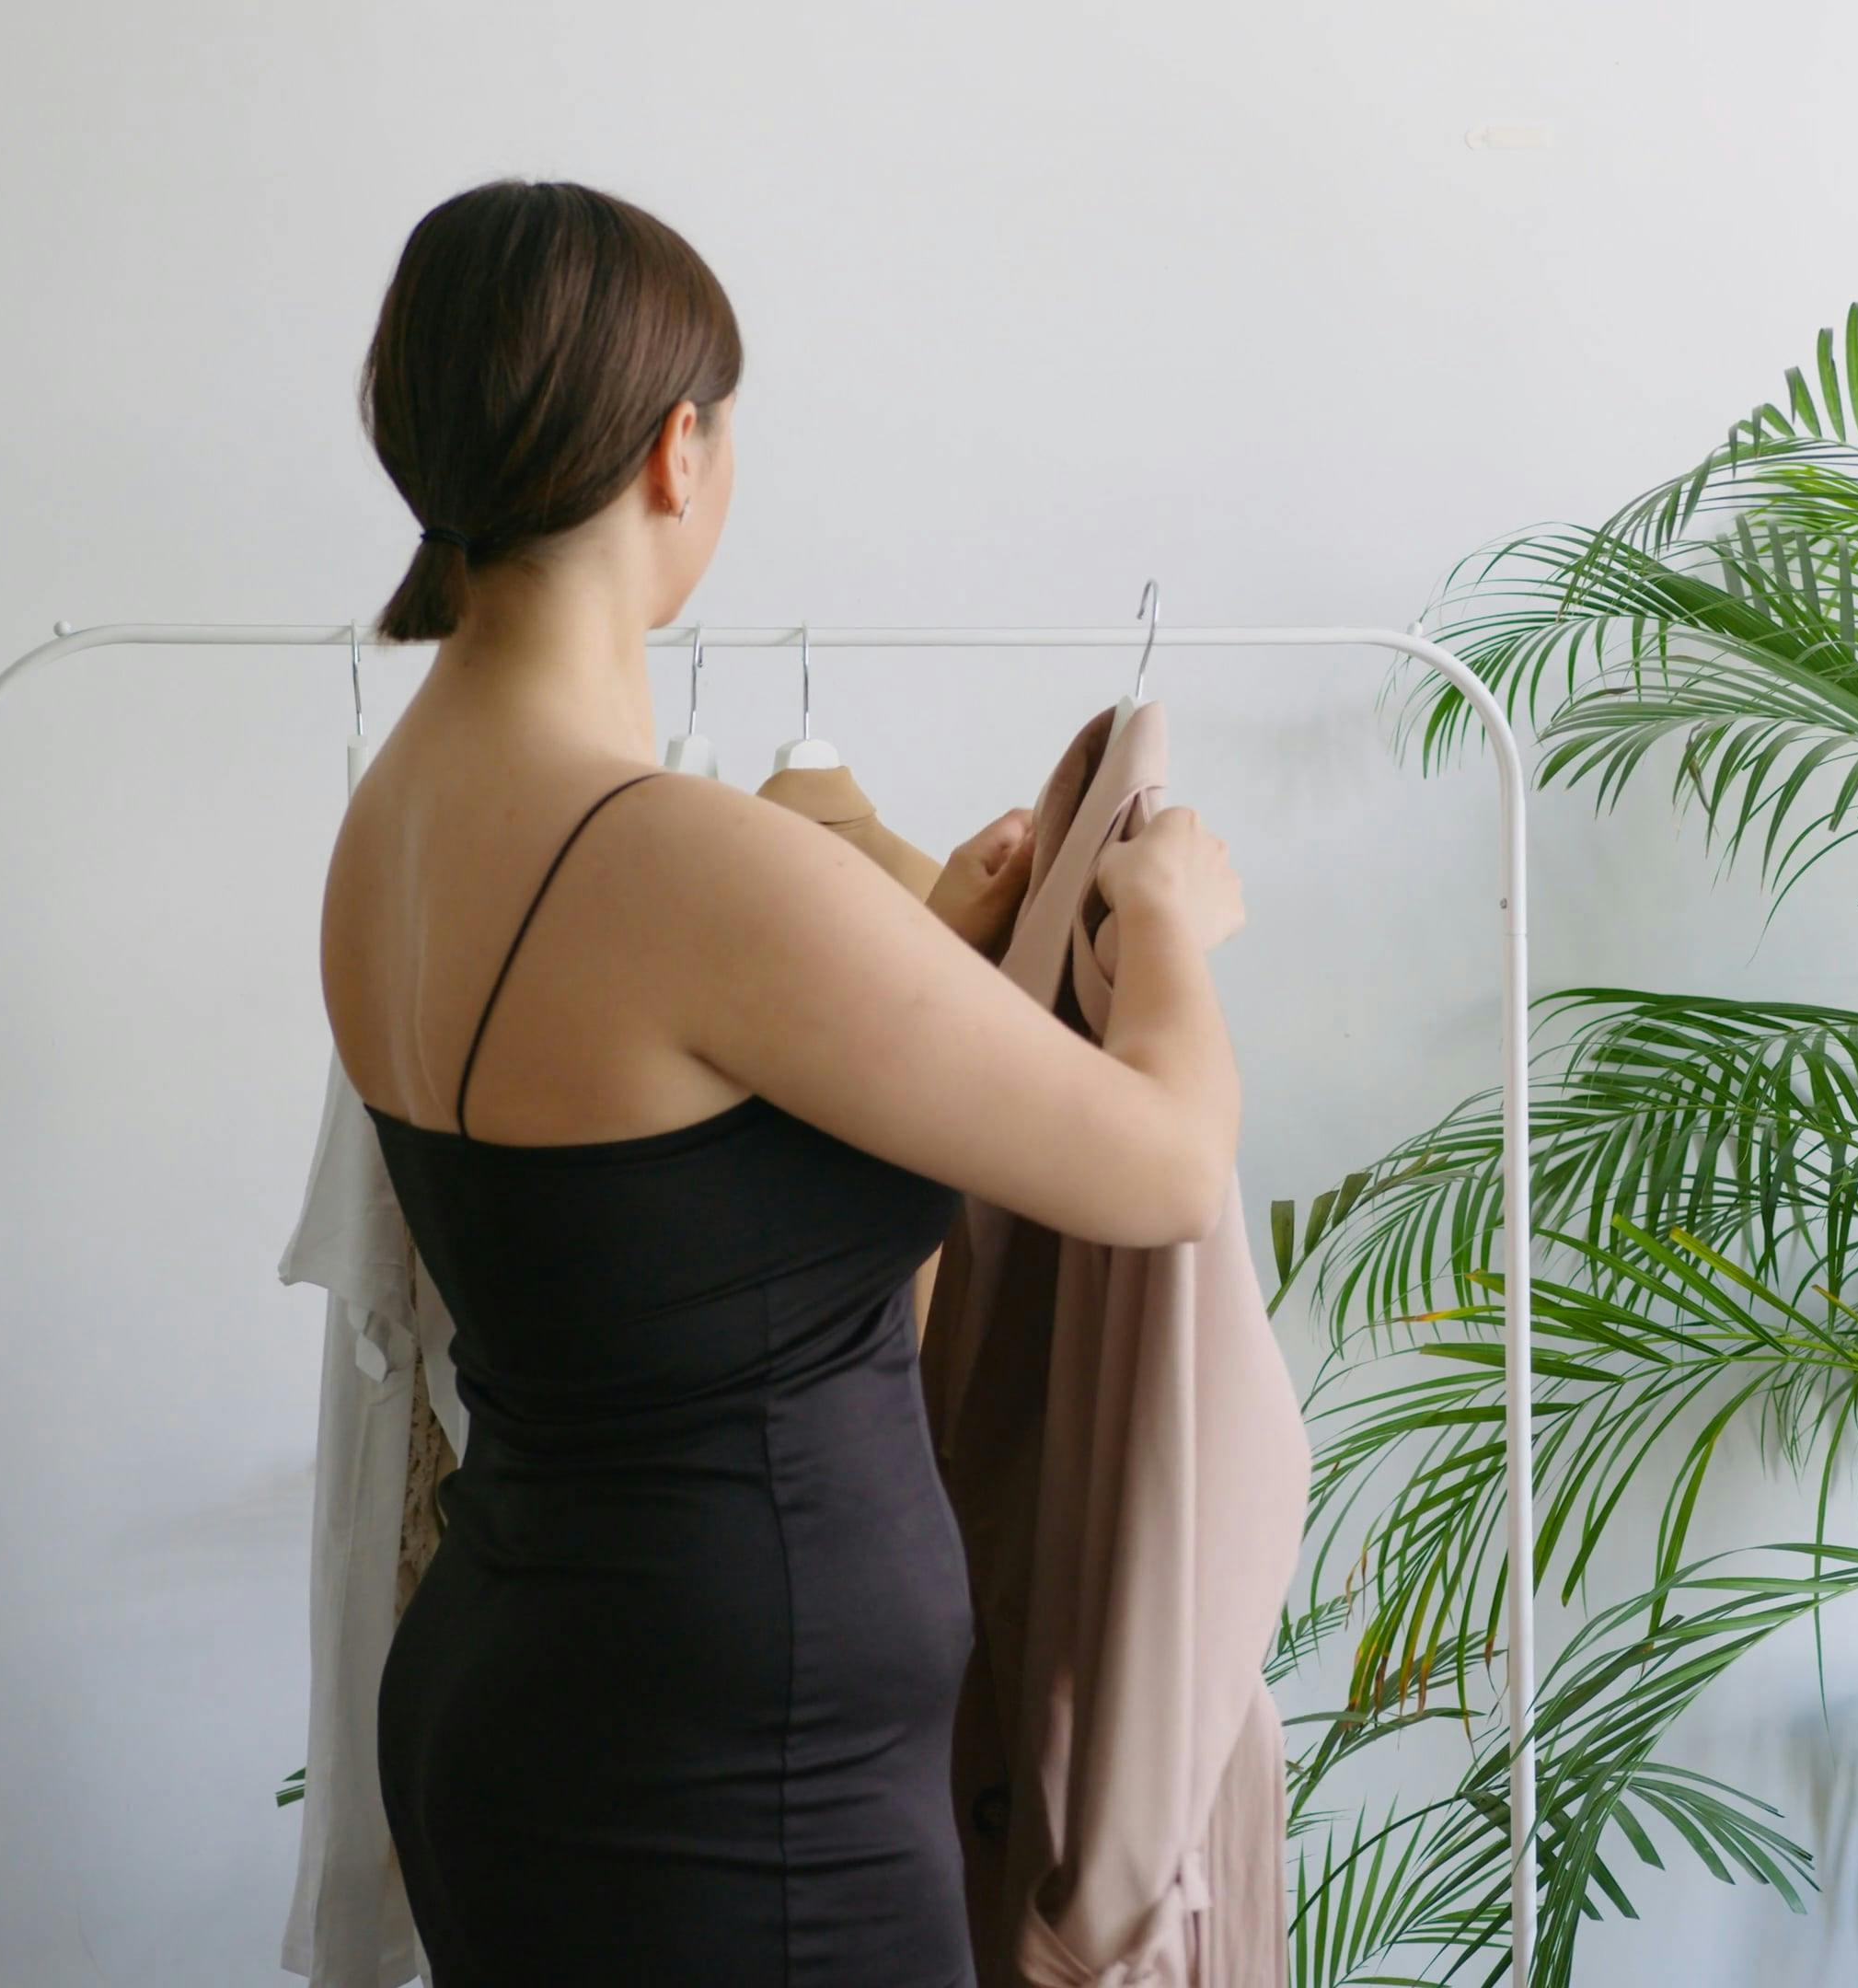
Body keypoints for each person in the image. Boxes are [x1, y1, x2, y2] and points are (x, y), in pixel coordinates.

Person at [317, 178, 1246, 1987]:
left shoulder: (398, 818)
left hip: (532, 1708)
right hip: (735, 1798)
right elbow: (1160, 1169)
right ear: (680, 453)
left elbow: (658, 1220)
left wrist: (927, 955)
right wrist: (1175, 926)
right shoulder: (670, 858)